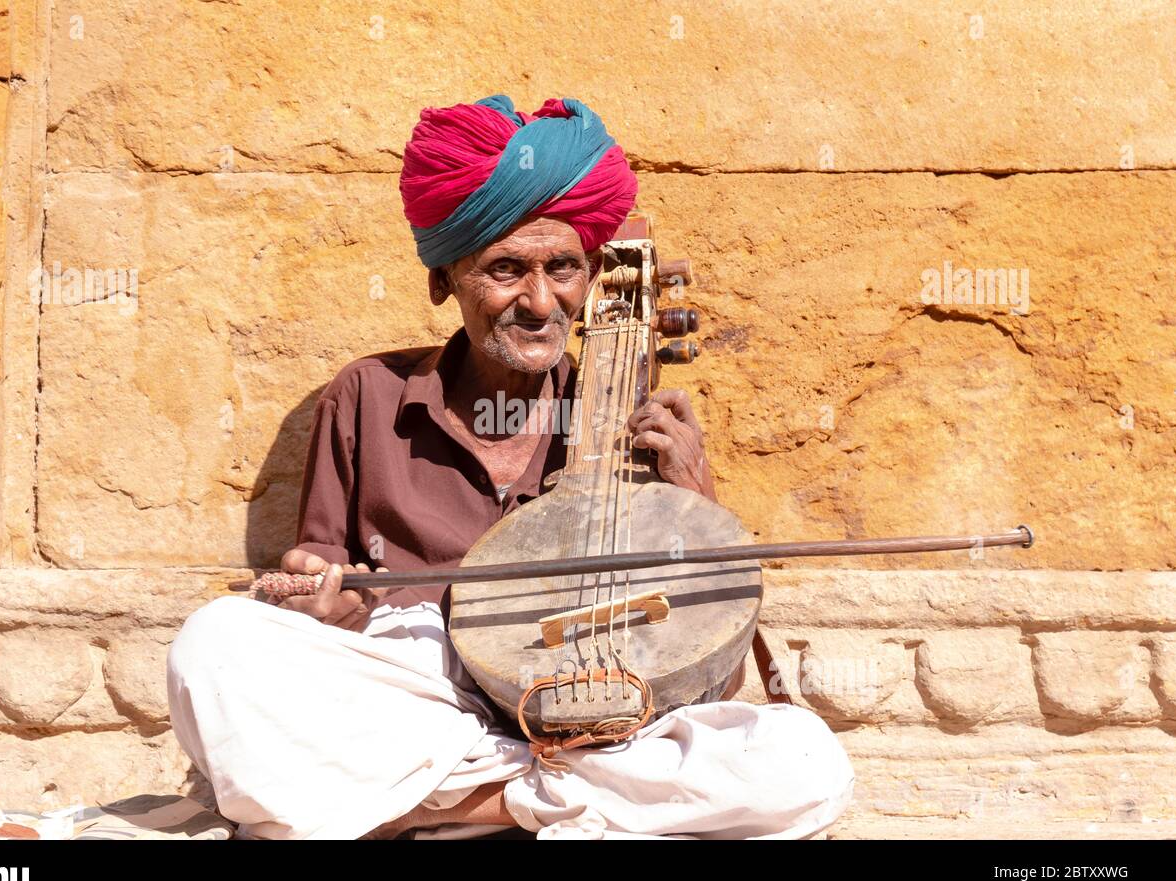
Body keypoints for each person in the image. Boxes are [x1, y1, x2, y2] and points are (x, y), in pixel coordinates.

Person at [167, 95, 855, 839]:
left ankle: (455, 811)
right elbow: (323, 607)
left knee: (803, 763)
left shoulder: (631, 419)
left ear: (592, 276)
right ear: (444, 280)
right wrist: (323, 604)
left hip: (607, 720)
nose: (538, 302)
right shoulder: (367, 397)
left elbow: (713, 678)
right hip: (425, 705)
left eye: (563, 268)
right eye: (504, 270)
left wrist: (698, 504)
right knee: (217, 644)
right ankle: (540, 803)